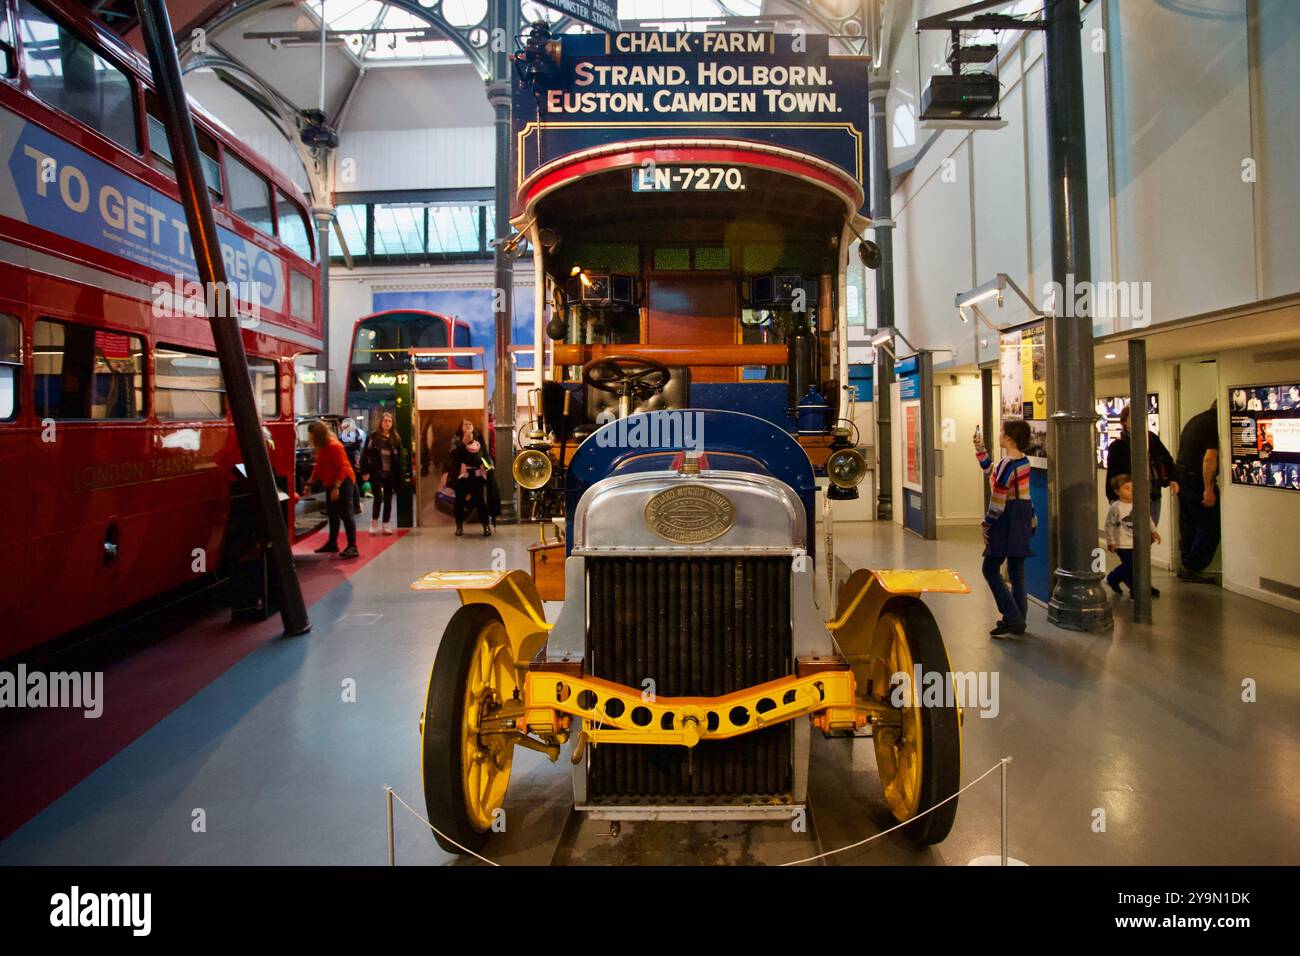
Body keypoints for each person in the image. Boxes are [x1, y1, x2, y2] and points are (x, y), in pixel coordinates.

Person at [974, 420, 1036, 638]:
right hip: (1023, 515)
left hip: (1006, 518)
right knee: (1017, 571)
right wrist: (980, 450)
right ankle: (1019, 617)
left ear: (1009, 438)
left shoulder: (1007, 465)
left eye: (1002, 432)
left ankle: (1012, 617)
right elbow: (992, 471)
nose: (999, 434)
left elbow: (998, 498)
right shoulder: (1024, 462)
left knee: (990, 569)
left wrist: (987, 523)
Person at [1105, 403, 1178, 526]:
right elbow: (1113, 474)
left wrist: (1172, 478)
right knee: (1130, 535)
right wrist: (1114, 497)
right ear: (1124, 422)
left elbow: (1165, 458)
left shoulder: (1152, 439)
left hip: (1152, 494)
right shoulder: (1118, 446)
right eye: (1133, 417)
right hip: (1129, 498)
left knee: (1151, 532)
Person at [1175, 401, 1220, 583]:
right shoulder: (1215, 424)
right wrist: (1208, 489)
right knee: (1209, 525)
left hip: (1182, 476)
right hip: (1196, 480)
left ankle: (1187, 564)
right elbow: (1209, 459)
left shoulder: (1196, 420)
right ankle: (1195, 566)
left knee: (1188, 523)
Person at [303, 420, 358, 559]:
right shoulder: (321, 447)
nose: (311, 438)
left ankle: (353, 547)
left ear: (319, 434)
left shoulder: (334, 446)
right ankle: (332, 543)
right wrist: (310, 484)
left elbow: (342, 468)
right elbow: (318, 467)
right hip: (331, 483)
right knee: (333, 514)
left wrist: (337, 487)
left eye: (312, 435)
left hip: (344, 481)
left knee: (346, 513)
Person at [1105, 474, 1161, 598]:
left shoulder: (1139, 504)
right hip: (1122, 544)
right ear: (1117, 491)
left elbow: (1147, 518)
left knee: (1135, 565)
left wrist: (1154, 531)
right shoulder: (1116, 507)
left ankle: (1113, 578)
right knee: (1131, 565)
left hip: (1135, 542)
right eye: (1126, 488)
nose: (1131, 491)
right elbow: (1109, 525)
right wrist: (1111, 541)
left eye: (1132, 488)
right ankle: (1135, 590)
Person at [361, 411, 403, 535]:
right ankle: (374, 523)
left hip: (390, 473)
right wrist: (364, 470)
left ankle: (386, 524)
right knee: (378, 498)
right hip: (376, 472)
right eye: (385, 421)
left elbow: (400, 457)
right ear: (381, 422)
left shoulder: (396, 438)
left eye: (390, 421)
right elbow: (365, 454)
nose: (387, 423)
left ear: (392, 423)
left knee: (389, 499)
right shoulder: (373, 437)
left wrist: (400, 474)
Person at [449, 418, 492, 537]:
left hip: (477, 475)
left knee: (480, 502)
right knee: (459, 502)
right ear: (461, 427)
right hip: (462, 476)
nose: (468, 426)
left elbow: (485, 454)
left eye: (470, 424)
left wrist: (489, 464)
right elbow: (453, 455)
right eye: (465, 424)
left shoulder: (478, 438)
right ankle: (459, 526)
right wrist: (463, 443)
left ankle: (486, 526)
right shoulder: (457, 439)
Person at [339, 417, 364, 516]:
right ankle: (354, 506)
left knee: (352, 483)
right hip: (351, 460)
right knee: (352, 483)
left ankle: (355, 506)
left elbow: (353, 446)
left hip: (351, 460)